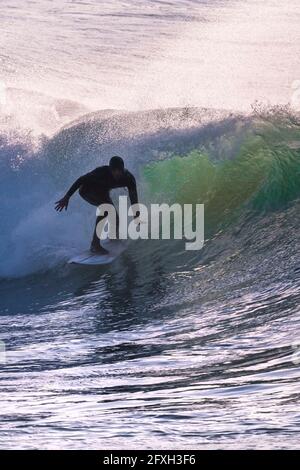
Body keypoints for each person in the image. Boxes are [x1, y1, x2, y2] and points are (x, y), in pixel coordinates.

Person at [55, 156, 139, 254]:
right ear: (110, 169)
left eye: (119, 170)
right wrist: (67, 197)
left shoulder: (128, 178)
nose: (117, 173)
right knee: (107, 209)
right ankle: (95, 245)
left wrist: (136, 215)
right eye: (114, 170)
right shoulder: (102, 172)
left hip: (103, 192)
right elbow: (81, 179)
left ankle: (113, 238)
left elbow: (133, 197)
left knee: (115, 217)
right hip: (87, 190)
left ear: (123, 169)